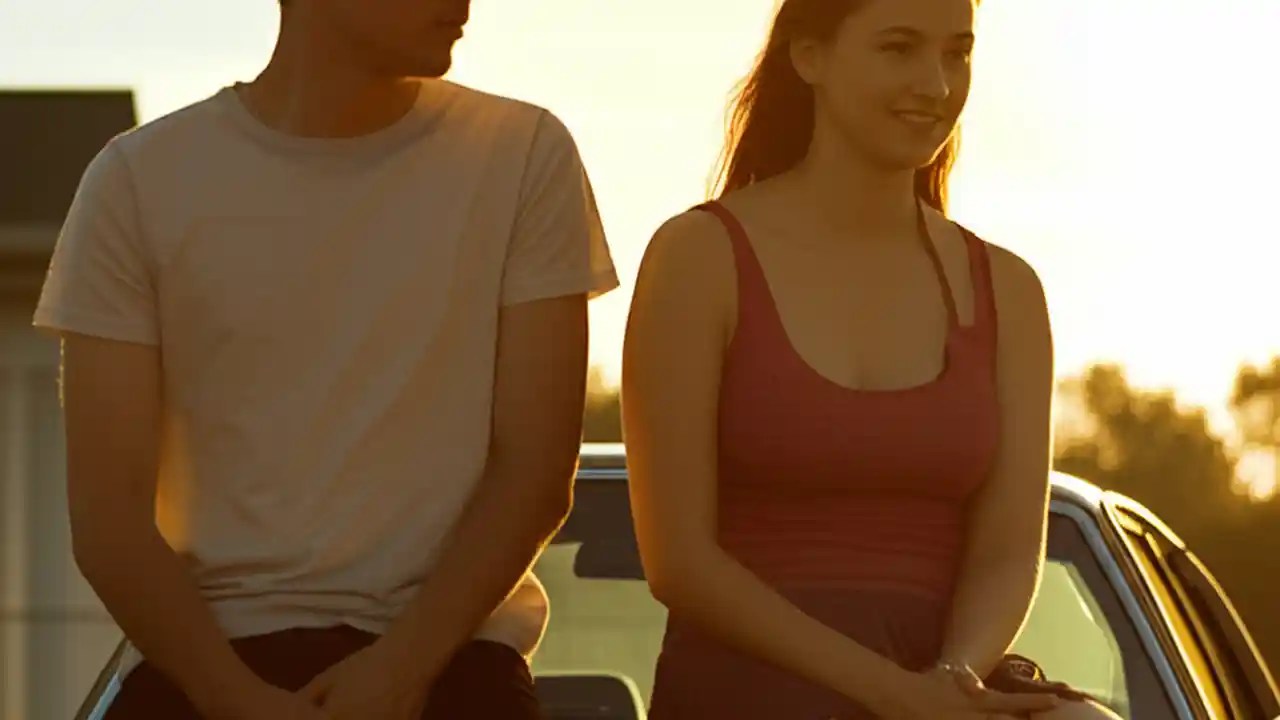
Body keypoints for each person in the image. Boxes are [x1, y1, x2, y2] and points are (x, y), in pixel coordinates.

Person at [33, 0, 617, 717]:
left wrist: (400, 670)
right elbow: (109, 517)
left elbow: (533, 471)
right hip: (206, 667)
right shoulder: (135, 182)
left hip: (450, 662)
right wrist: (233, 699)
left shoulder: (524, 154)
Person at [621, 0, 1122, 718]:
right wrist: (893, 697)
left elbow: (1008, 554)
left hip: (937, 689)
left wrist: (950, 681)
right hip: (752, 691)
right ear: (809, 57)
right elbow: (681, 564)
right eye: (899, 49)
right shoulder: (700, 257)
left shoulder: (1007, 289)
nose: (937, 84)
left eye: (957, 54)